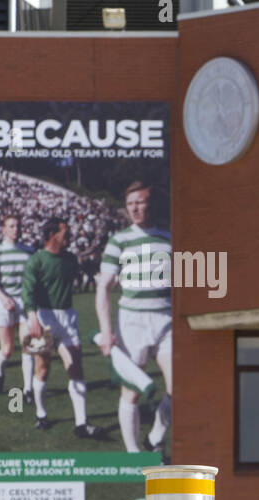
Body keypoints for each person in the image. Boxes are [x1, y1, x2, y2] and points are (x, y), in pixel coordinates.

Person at [95, 182, 173, 455]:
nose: (135, 209)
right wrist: (106, 332)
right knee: (132, 391)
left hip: (166, 320)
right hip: (132, 323)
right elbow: (103, 288)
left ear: (151, 202)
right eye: (130, 204)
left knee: (180, 389)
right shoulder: (119, 241)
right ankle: (133, 453)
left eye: (140, 202)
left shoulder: (169, 237)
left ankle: (154, 438)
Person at [21, 217, 104, 438]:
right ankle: (41, 415)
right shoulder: (36, 261)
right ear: (51, 235)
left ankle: (81, 424)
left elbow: (93, 271)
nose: (70, 234)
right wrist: (32, 317)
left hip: (68, 317)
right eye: (65, 231)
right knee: (42, 369)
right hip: (43, 317)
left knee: (76, 368)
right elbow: (27, 291)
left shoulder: (70, 259)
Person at [0, 215, 36, 402]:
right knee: (7, 349)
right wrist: (3, 297)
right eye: (11, 226)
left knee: (28, 347)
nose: (16, 229)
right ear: (3, 230)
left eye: (18, 226)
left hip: (24, 302)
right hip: (3, 301)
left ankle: (28, 390)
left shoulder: (29, 251)